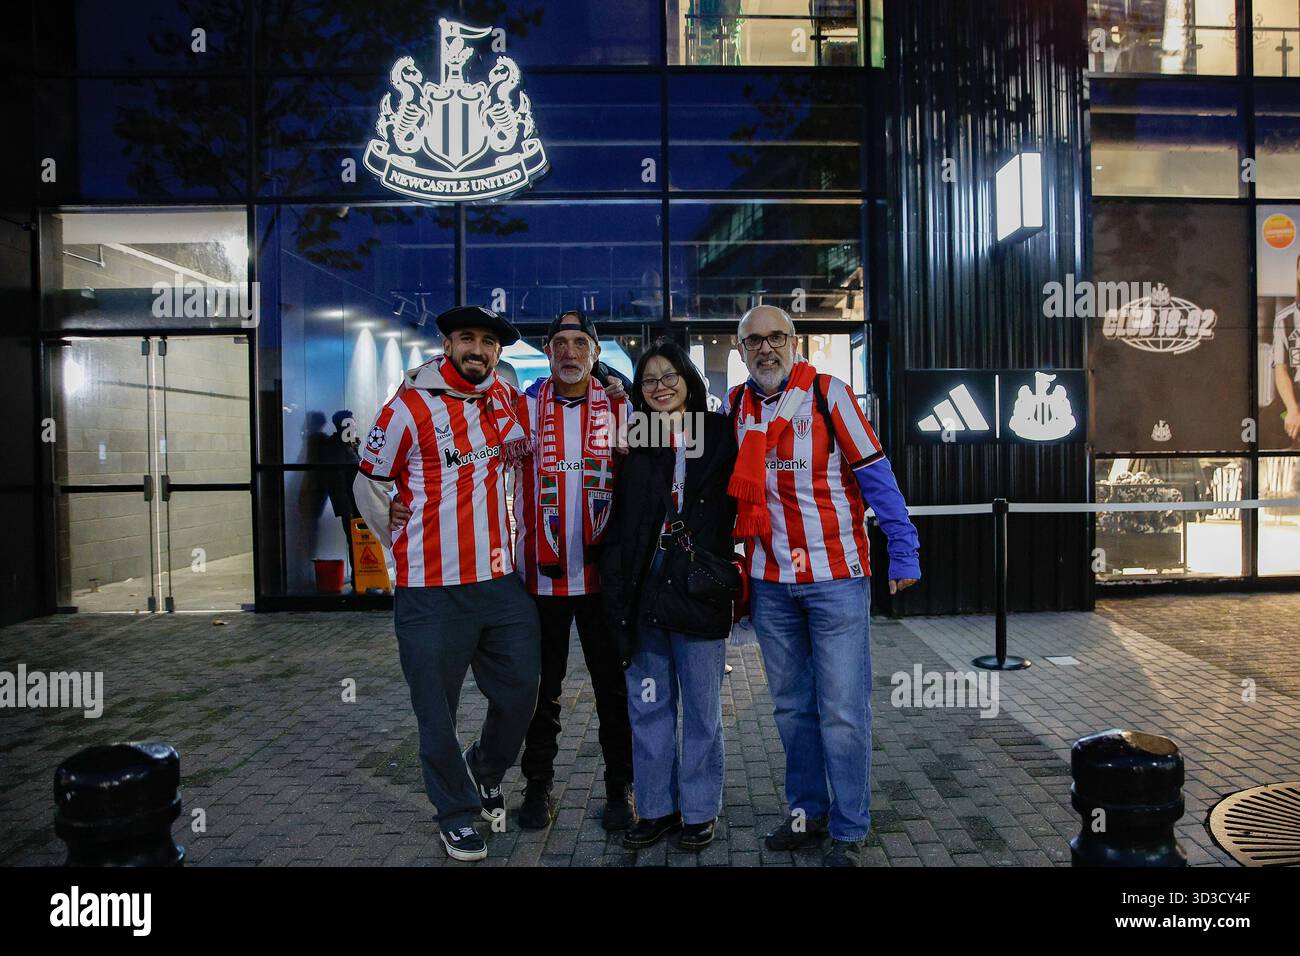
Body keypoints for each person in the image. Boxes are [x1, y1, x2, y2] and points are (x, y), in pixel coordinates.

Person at [723, 304, 921, 868]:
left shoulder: (831, 395)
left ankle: (851, 827)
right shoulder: (736, 406)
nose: (766, 349)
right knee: (790, 708)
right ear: (740, 352)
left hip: (836, 581)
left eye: (776, 338)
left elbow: (877, 477)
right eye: (754, 341)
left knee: (842, 709)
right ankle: (807, 813)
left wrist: (904, 550)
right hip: (768, 583)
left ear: (795, 342)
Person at [352, 305, 541, 863]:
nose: (477, 349)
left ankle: (483, 772)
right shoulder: (408, 407)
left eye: (488, 341)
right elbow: (369, 484)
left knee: (519, 692)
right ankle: (455, 814)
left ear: (498, 352)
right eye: (466, 339)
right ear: (447, 344)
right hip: (430, 591)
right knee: (436, 711)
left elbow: (522, 447)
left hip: (501, 585)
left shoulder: (505, 397)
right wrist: (400, 543)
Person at [600, 341, 739, 851]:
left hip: (699, 583)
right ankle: (656, 808)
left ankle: (700, 810)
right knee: (649, 704)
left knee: (702, 709)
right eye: (650, 379)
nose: (660, 386)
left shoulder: (720, 432)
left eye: (669, 375)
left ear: (688, 379)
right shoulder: (635, 439)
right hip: (644, 584)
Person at [511, 311, 636, 831]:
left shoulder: (621, 406)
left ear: (595, 352)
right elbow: (468, 456)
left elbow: (660, 468)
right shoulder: (522, 408)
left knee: (613, 689)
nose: (569, 352)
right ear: (547, 352)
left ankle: (619, 790)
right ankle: (537, 787)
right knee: (542, 691)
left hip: (602, 580)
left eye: (579, 343)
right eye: (559, 343)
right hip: (540, 579)